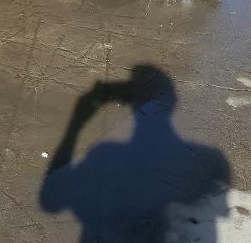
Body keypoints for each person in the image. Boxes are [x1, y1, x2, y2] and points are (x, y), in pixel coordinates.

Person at [39, 64, 229, 242]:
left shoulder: (105, 155)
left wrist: (77, 122)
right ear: (173, 102)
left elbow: (50, 201)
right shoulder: (212, 160)